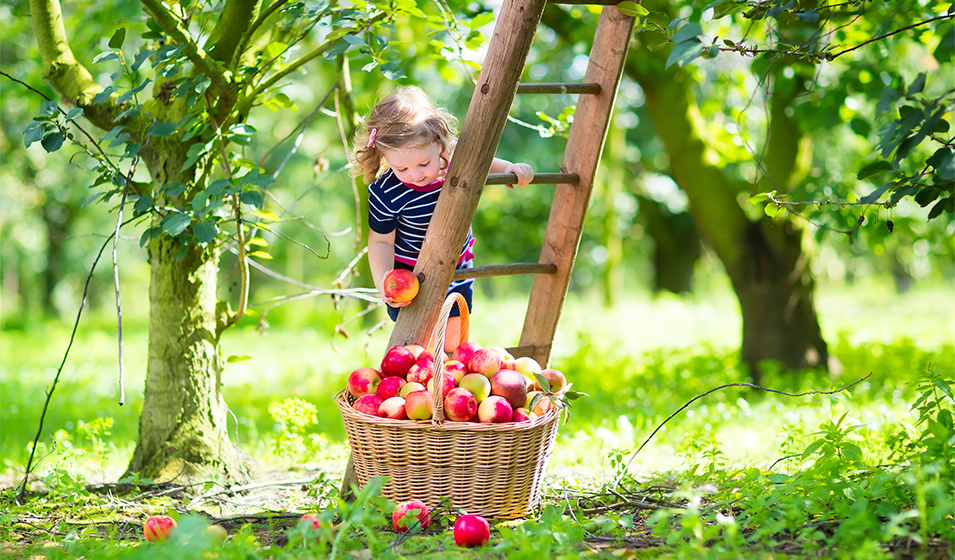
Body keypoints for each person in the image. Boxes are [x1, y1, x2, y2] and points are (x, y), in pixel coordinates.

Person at [349, 86, 534, 353]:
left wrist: (508, 169)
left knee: (452, 344)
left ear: (439, 143)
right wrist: (383, 282)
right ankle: (419, 388)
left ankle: (446, 383)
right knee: (416, 344)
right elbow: (380, 241)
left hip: (456, 268)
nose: (415, 174)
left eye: (424, 163)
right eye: (401, 168)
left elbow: (482, 161)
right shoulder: (385, 192)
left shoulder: (452, 160)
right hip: (411, 274)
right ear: (384, 156)